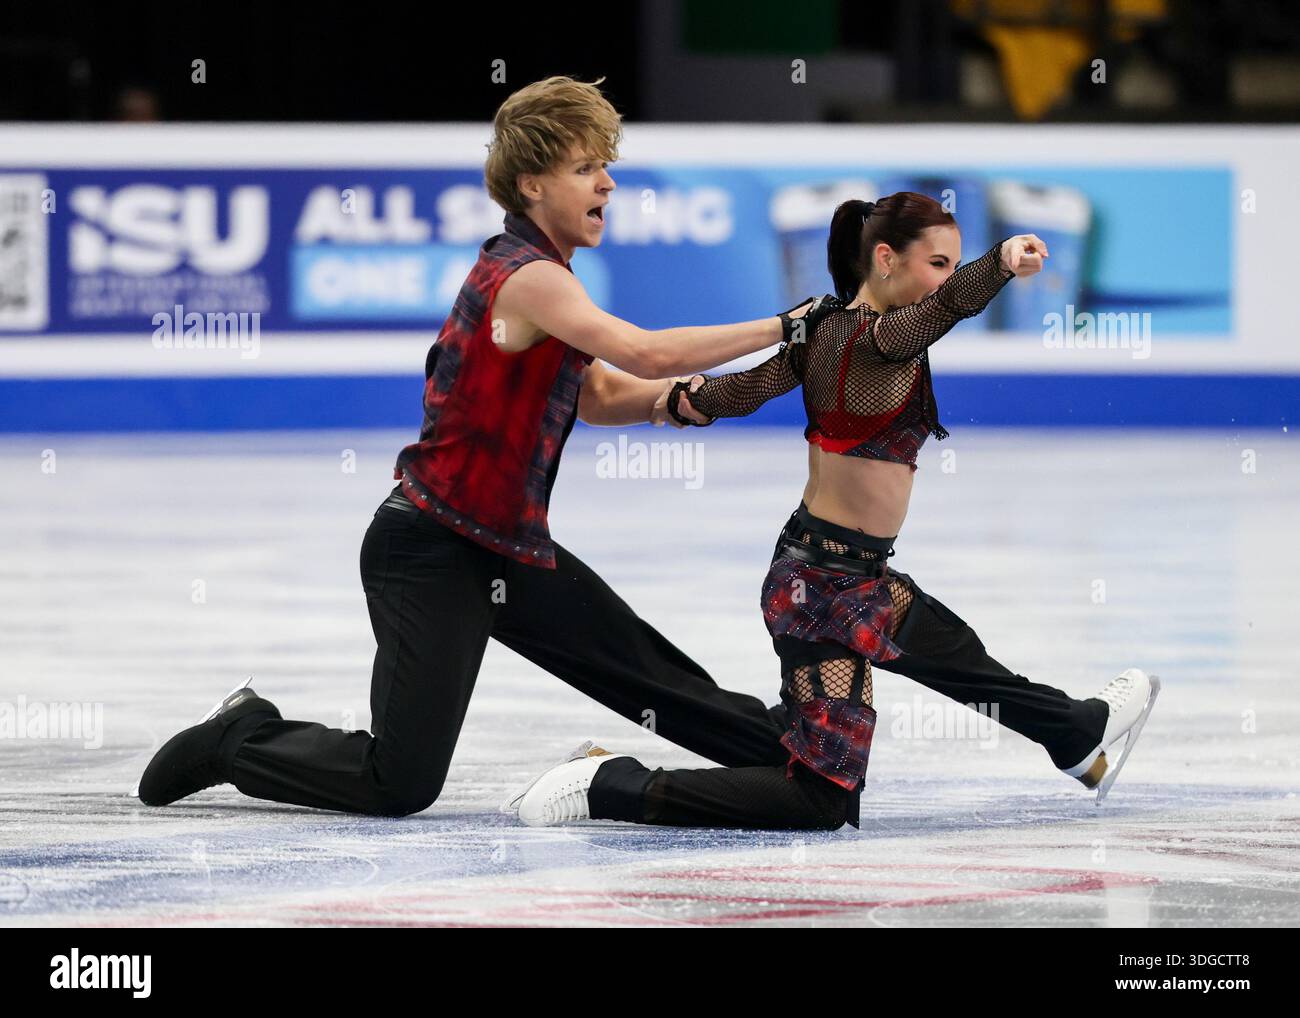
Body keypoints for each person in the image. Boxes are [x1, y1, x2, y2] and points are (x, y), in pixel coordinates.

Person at [135, 76, 833, 816]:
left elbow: (597, 395)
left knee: (643, 671)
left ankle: (783, 746)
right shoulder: (525, 277)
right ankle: (241, 736)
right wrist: (787, 326)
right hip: (431, 546)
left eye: (607, 164)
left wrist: (692, 401)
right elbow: (643, 352)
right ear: (531, 184)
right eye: (584, 168)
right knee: (397, 783)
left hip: (505, 544)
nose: (608, 181)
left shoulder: (550, 279)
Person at [509, 191, 1160, 831]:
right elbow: (946, 309)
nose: (942, 280)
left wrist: (683, 402)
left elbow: (741, 390)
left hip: (846, 575)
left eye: (949, 265)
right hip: (821, 591)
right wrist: (999, 262)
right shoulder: (881, 340)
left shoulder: (822, 332)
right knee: (822, 797)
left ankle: (1074, 734)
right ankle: (606, 786)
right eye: (936, 263)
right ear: (885, 258)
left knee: (956, 656)